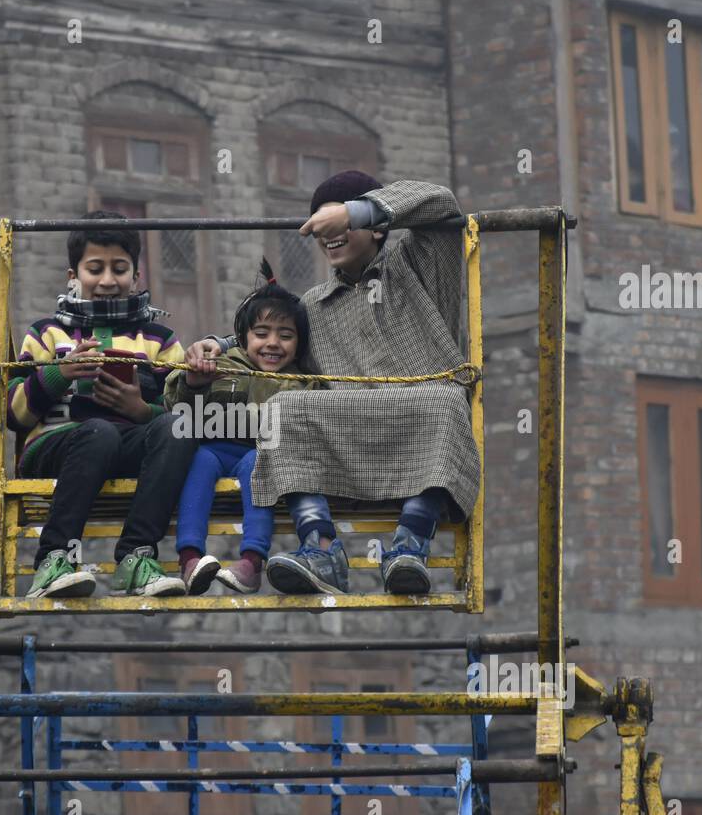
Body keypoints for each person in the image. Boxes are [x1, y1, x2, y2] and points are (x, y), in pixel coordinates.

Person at [184, 172, 481, 596]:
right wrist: (217, 343)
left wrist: (354, 211)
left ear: (377, 227)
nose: (329, 236)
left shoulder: (420, 264)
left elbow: (442, 201)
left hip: (423, 421)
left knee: (447, 399)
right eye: (321, 229)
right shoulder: (312, 305)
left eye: (337, 225)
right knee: (284, 409)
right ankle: (321, 549)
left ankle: (409, 546)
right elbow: (271, 340)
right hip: (350, 433)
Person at [7, 211, 199, 598]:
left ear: (136, 277)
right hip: (56, 448)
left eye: (119, 268)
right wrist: (62, 373)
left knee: (175, 428)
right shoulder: (45, 333)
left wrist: (144, 411)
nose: (108, 280)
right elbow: (14, 413)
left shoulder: (160, 341)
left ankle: (137, 558)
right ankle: (53, 560)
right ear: (73, 276)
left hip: (127, 447)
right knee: (99, 432)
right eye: (95, 268)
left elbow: (183, 412)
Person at [164, 260, 323, 594]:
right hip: (214, 447)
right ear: (242, 338)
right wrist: (194, 381)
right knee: (198, 461)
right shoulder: (221, 364)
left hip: (259, 453)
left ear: (299, 342)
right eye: (261, 334)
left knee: (258, 468)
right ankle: (190, 557)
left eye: (286, 335)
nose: (272, 344)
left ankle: (252, 561)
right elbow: (176, 404)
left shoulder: (303, 383)